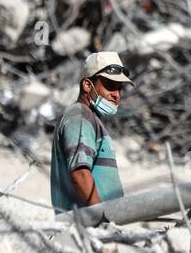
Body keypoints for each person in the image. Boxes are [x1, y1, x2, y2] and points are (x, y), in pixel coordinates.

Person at [50, 51, 134, 213]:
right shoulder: (79, 117)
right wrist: (101, 217)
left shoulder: (89, 118)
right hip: (85, 223)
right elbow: (80, 174)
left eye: (120, 89)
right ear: (87, 85)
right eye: (110, 86)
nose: (116, 95)